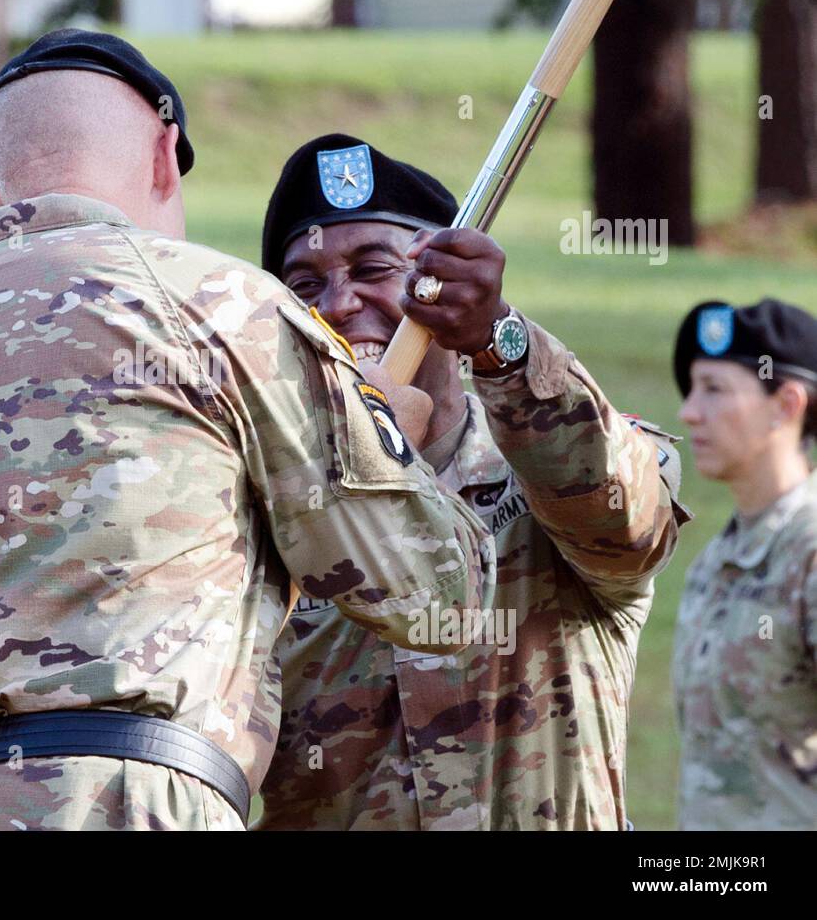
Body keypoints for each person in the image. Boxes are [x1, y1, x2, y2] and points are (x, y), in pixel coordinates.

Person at [0, 33, 490, 831]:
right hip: (148, 801)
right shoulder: (226, 306)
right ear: (165, 157)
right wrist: (387, 439)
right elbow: (437, 593)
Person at [254, 133, 690, 830]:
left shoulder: (551, 462)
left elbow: (624, 526)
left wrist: (500, 340)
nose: (337, 304)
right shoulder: (264, 512)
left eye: (374, 268)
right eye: (303, 286)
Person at [672, 298, 817, 830]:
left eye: (715, 389)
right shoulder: (717, 560)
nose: (689, 411)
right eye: (692, 388)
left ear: (785, 406)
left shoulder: (809, 552)